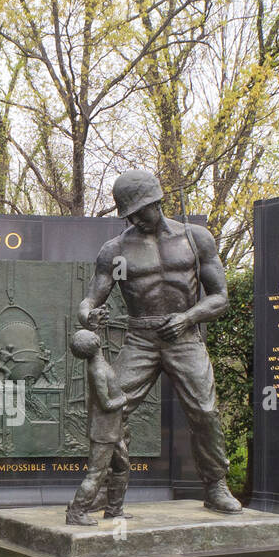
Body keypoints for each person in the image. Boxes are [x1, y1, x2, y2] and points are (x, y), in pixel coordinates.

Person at [78, 169, 241, 514]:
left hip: (185, 336)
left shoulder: (196, 240)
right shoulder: (116, 249)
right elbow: (91, 299)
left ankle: (215, 486)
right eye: (129, 214)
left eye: (141, 210)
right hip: (140, 338)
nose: (136, 218)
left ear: (157, 201)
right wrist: (88, 314)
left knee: (205, 412)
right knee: (111, 408)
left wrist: (188, 317)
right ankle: (111, 489)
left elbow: (220, 298)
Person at [66, 329, 129, 525]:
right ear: (95, 344)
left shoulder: (99, 363)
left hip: (113, 429)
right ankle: (77, 512)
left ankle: (114, 509)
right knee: (96, 473)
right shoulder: (98, 370)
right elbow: (106, 404)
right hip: (104, 431)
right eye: (91, 336)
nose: (95, 336)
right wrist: (124, 399)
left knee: (122, 467)